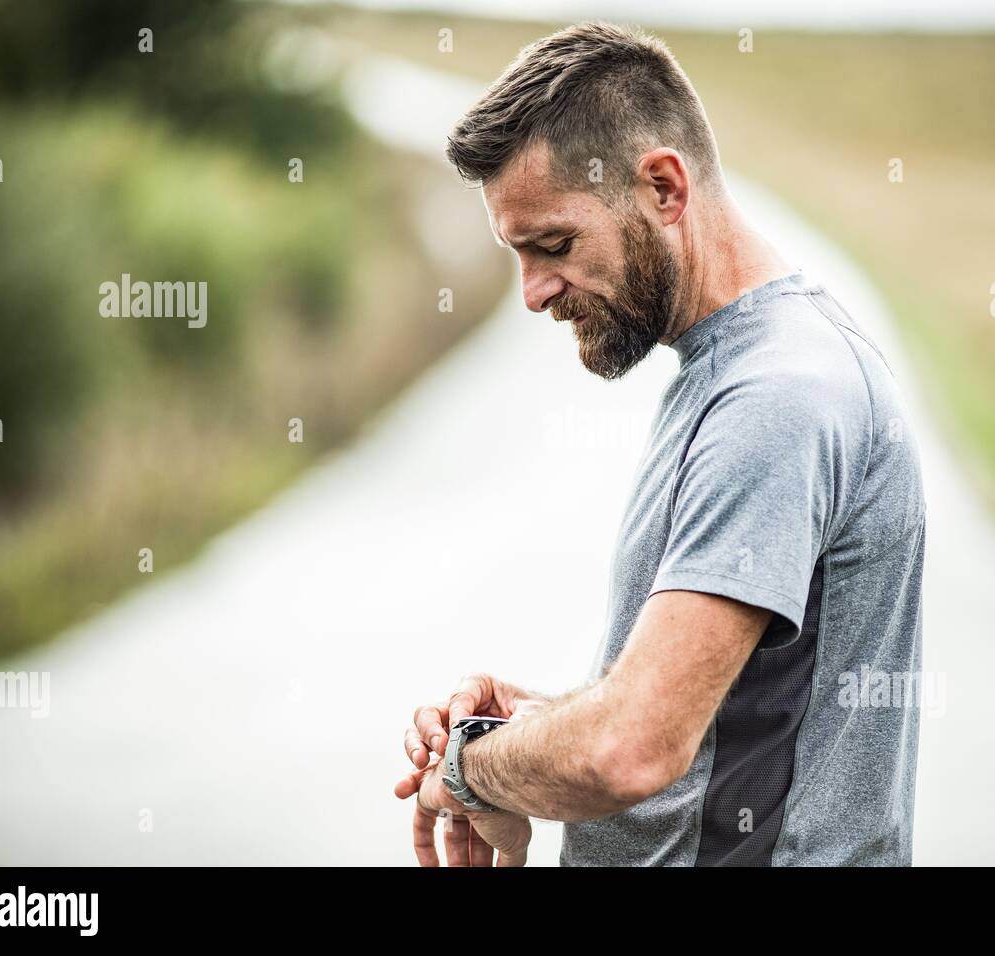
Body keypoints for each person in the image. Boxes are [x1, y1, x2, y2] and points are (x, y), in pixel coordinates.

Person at [393, 21, 926, 867]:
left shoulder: (777, 396)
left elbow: (633, 749)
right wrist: (532, 730)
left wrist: (469, 770)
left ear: (664, 189)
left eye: (554, 245)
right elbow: (703, 712)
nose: (531, 295)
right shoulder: (738, 369)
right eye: (518, 254)